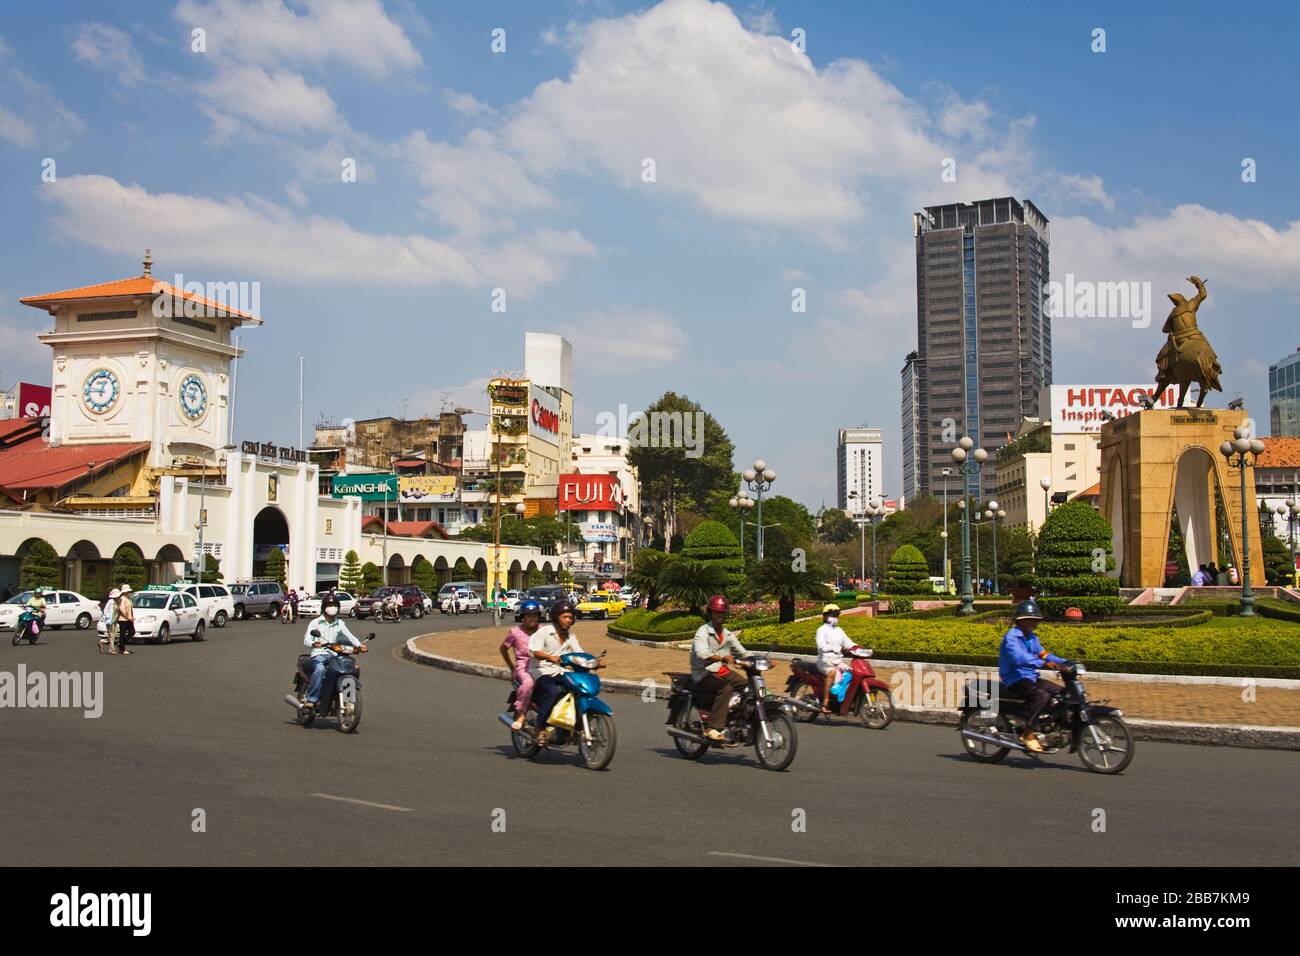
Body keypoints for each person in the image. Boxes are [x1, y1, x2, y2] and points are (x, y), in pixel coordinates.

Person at [998, 599, 1065, 753]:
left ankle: (1047, 725)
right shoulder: (1012, 637)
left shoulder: (1032, 638)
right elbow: (1019, 659)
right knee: (1041, 696)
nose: (1032, 623)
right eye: (1028, 620)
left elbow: (1044, 654)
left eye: (1034, 621)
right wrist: (1043, 664)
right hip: (1015, 678)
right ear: (1020, 621)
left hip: (1031, 677)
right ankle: (1028, 733)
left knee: (1061, 693)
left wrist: (1064, 662)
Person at [528, 600, 597, 745]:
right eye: (565, 617)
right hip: (542, 671)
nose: (568, 620)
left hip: (562, 672)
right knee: (554, 691)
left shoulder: (571, 636)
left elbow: (579, 653)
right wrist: (548, 656)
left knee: (577, 690)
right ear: (556, 617)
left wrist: (594, 662)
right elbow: (535, 652)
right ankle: (540, 727)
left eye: (570, 617)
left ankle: (568, 728)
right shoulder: (545, 632)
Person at [690, 595, 748, 742]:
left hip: (720, 671)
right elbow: (702, 653)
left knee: (747, 686)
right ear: (710, 613)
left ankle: (736, 719)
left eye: (722, 613)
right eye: (716, 612)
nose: (720, 616)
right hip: (704, 672)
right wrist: (722, 658)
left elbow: (743, 652)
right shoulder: (703, 631)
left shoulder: (727, 634)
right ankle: (712, 727)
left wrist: (761, 660)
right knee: (726, 689)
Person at [302, 594, 362, 709]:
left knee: (347, 669)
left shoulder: (340, 623)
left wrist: (360, 645)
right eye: (329, 605)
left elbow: (349, 636)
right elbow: (307, 640)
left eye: (334, 605)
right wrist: (314, 643)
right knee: (320, 669)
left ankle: (344, 698)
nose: (332, 607)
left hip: (334, 655)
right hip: (319, 654)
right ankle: (311, 698)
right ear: (324, 607)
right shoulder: (315, 622)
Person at [500, 599, 543, 730]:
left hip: (542, 665)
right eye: (528, 616)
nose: (532, 619)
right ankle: (521, 713)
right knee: (528, 683)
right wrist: (512, 668)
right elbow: (503, 648)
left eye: (535, 615)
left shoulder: (543, 631)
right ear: (523, 617)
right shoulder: (515, 632)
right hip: (523, 665)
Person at [814, 603, 864, 714]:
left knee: (853, 672)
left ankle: (846, 698)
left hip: (837, 661)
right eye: (832, 615)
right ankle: (825, 702)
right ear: (826, 616)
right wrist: (832, 648)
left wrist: (859, 648)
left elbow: (848, 643)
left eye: (836, 615)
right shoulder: (821, 630)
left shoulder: (839, 631)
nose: (835, 618)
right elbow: (820, 645)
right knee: (831, 673)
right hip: (824, 661)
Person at [101, 588, 121, 654]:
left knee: (113, 635)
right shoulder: (110, 601)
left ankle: (102, 642)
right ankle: (112, 650)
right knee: (112, 635)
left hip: (115, 620)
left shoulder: (119, 601)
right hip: (109, 620)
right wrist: (108, 617)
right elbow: (105, 610)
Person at [116, 586, 135, 654]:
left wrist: (131, 617)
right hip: (123, 619)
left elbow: (130, 610)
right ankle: (122, 648)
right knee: (122, 633)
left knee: (132, 632)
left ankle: (121, 644)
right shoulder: (122, 599)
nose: (129, 593)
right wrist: (127, 617)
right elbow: (121, 610)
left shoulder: (128, 599)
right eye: (128, 592)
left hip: (129, 619)